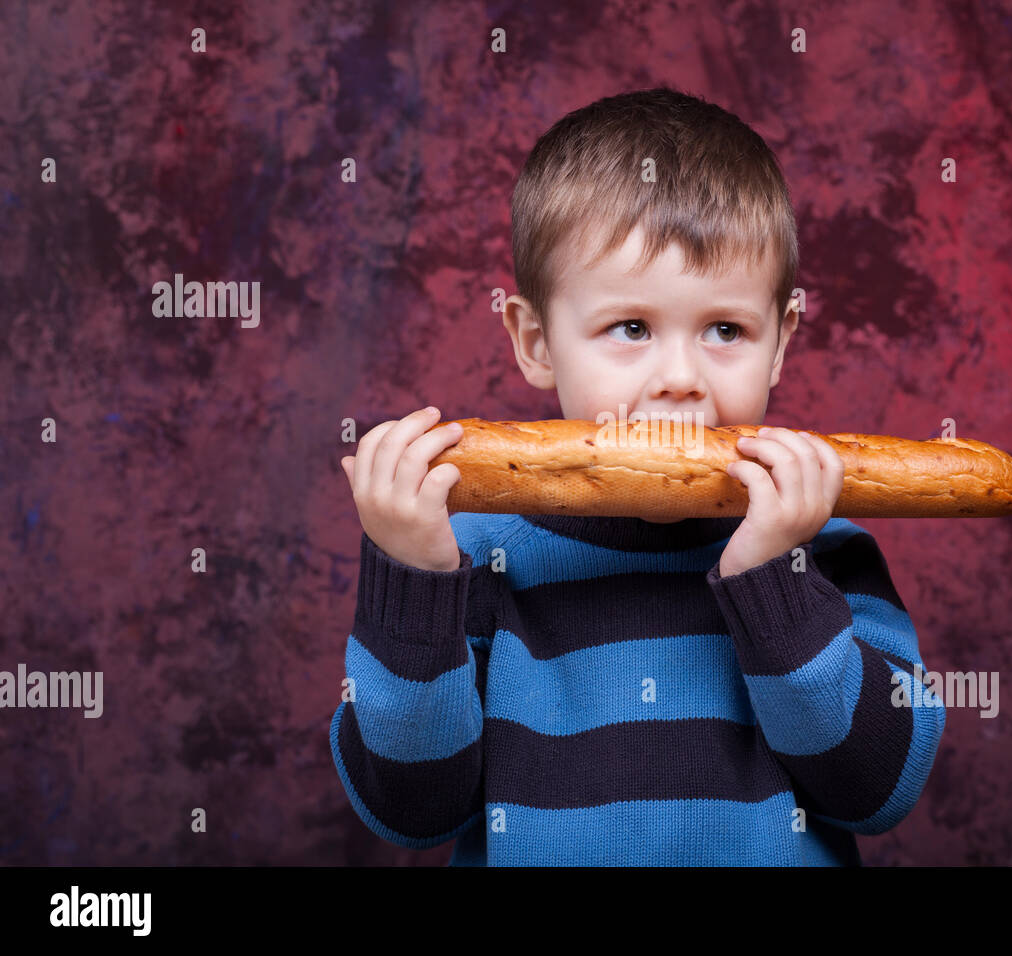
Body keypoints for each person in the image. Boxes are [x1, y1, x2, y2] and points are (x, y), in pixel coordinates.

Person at [332, 86, 945, 865]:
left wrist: (776, 578)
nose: (681, 377)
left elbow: (878, 790)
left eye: (726, 329)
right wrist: (412, 583)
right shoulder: (470, 554)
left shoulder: (825, 546)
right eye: (631, 327)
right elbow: (410, 810)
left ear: (782, 344)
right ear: (536, 341)